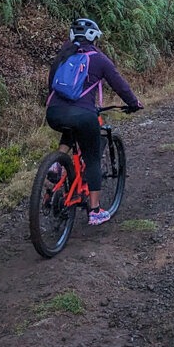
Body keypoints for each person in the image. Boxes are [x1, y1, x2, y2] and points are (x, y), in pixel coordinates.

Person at [45, 17, 142, 225]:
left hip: (54, 113)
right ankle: (95, 210)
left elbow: (51, 83)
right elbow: (120, 85)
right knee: (93, 157)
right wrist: (133, 103)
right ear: (94, 38)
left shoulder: (62, 55)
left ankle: (57, 165)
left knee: (71, 129)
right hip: (84, 114)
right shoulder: (98, 59)